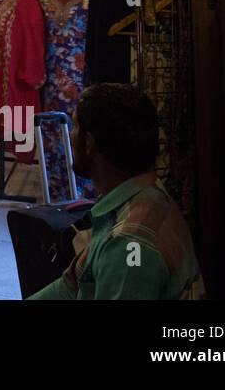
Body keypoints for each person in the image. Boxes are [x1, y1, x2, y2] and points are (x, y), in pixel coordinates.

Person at [31, 84, 204, 299]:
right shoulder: (145, 195)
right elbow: (71, 285)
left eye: (75, 126)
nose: (71, 134)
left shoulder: (129, 245)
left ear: (89, 143)